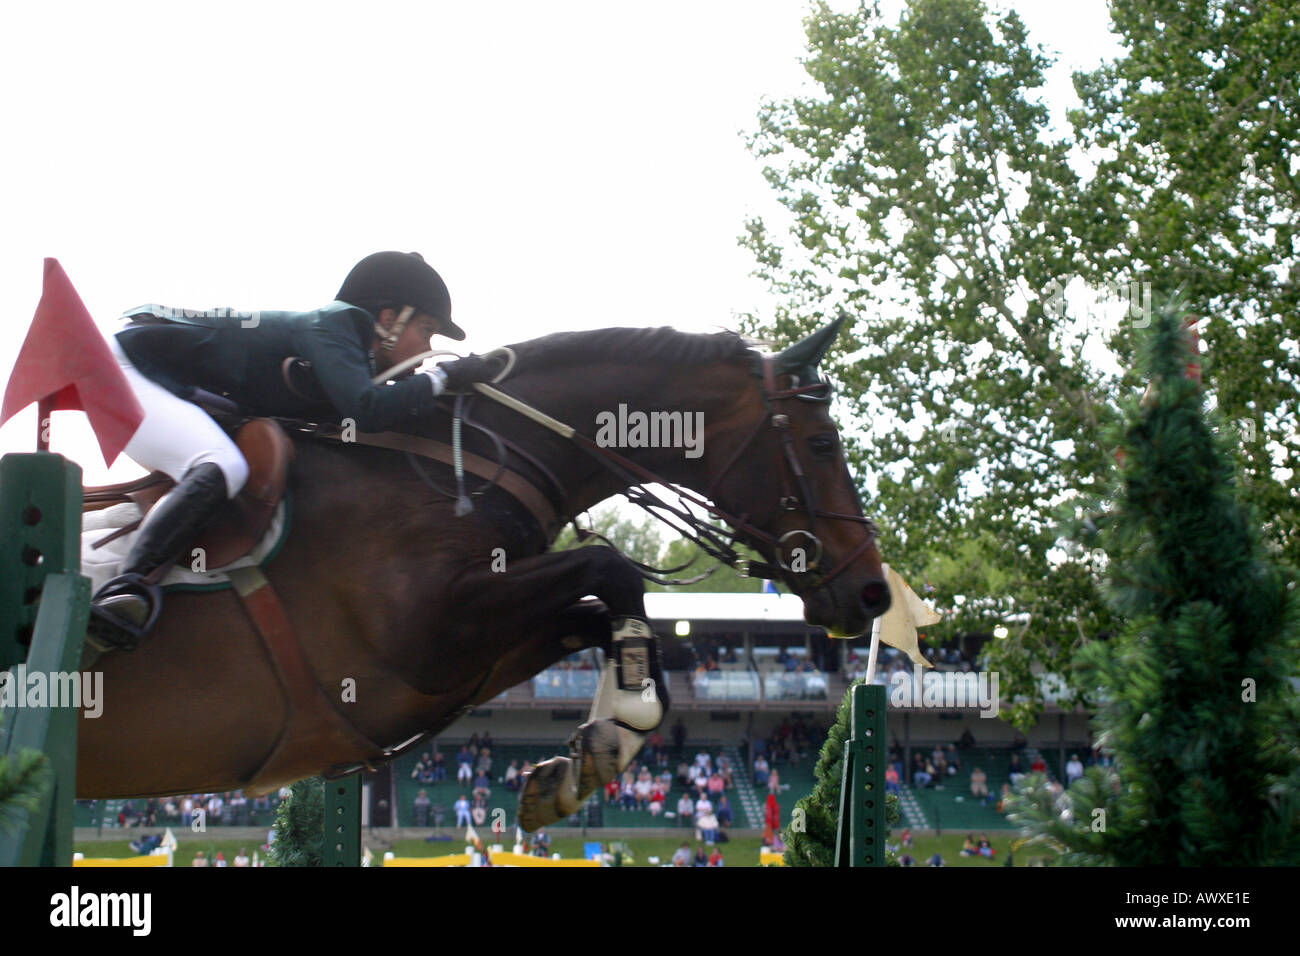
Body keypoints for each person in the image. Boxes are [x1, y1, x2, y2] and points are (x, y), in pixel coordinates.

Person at [87, 251, 497, 648]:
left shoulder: (346, 349)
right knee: (220, 464)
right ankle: (127, 587)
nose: (427, 348)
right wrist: (446, 376)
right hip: (122, 369)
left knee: (222, 464)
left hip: (157, 376)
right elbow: (368, 410)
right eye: (425, 330)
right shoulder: (336, 324)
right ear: (388, 319)